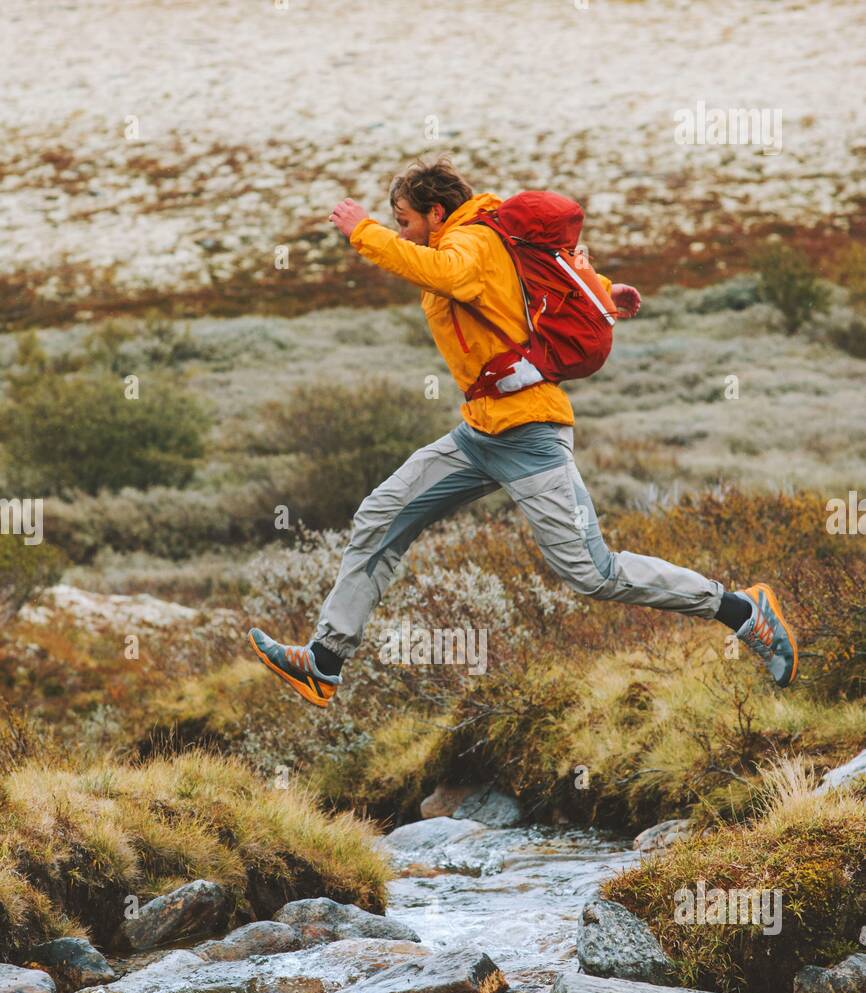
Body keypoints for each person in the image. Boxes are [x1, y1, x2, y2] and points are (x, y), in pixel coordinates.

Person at [248, 156, 797, 707]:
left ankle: (743, 612)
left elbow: (453, 275)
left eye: (404, 220)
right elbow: (524, 293)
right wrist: (603, 290)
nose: (401, 232)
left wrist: (361, 232)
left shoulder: (470, 242)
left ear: (436, 213)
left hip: (530, 434)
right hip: (480, 434)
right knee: (381, 514)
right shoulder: (478, 240)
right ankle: (325, 661)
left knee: (590, 572)